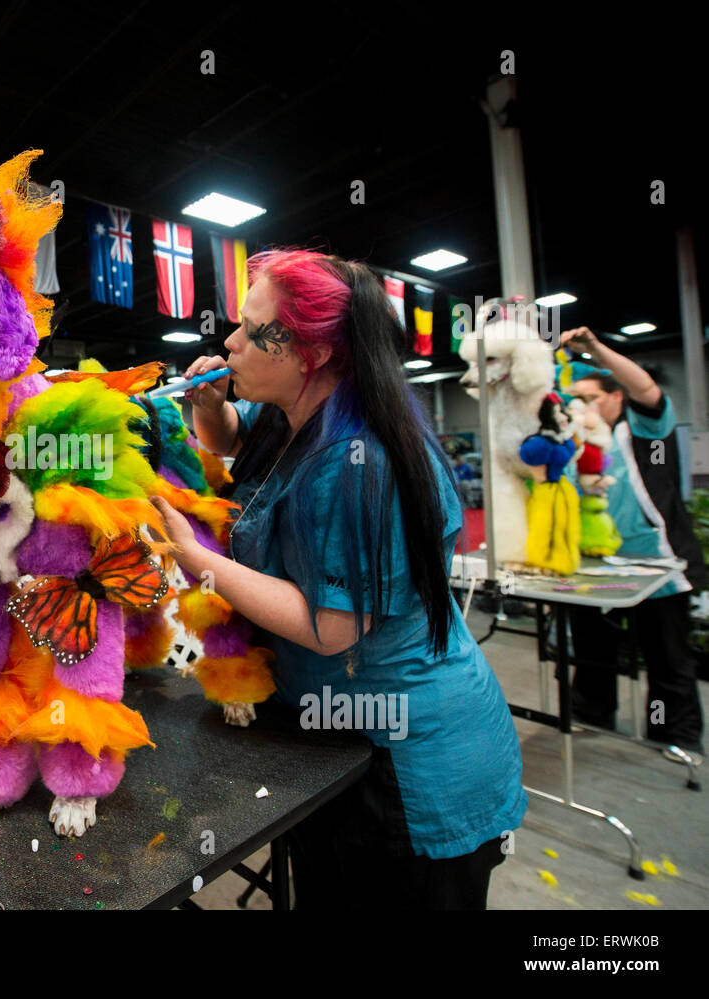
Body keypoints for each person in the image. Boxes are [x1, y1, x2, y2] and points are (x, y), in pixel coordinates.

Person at [147, 248, 526, 909]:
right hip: (335, 740)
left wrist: (195, 555)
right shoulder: (301, 414)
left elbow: (331, 628)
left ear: (309, 355)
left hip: (406, 768)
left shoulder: (357, 464)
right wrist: (209, 409)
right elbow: (239, 439)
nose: (229, 341)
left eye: (250, 328)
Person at [560, 327, 707, 762]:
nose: (582, 407)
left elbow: (647, 388)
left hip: (656, 569)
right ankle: (592, 713)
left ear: (617, 398)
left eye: (592, 398)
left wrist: (596, 351)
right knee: (592, 653)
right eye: (576, 400)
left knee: (665, 661)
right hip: (594, 570)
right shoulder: (573, 446)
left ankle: (671, 734)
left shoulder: (644, 433)